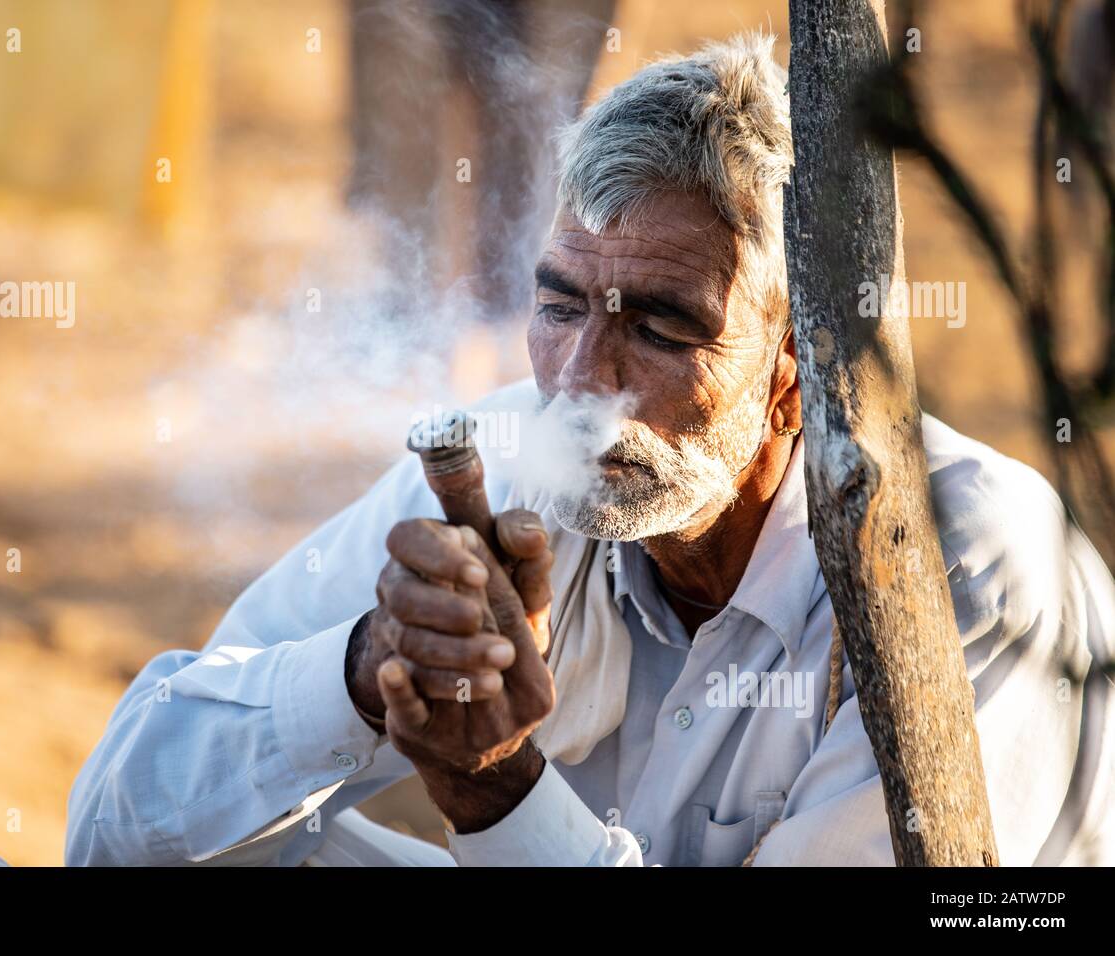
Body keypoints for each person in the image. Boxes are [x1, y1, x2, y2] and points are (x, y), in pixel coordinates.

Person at [66, 33, 1115, 867]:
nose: (579, 381)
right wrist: (362, 667)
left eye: (661, 326)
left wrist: (496, 788)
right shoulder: (510, 464)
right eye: (558, 304)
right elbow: (110, 830)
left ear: (799, 358)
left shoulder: (973, 565)